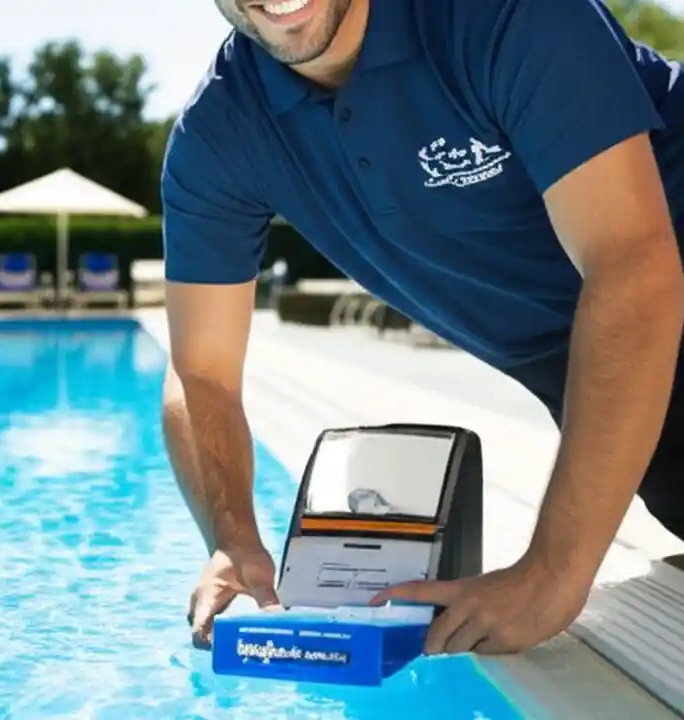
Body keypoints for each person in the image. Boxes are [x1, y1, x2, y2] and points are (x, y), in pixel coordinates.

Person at [160, 0, 684, 658]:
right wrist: (233, 541)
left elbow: (632, 264)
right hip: (615, 379)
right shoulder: (222, 133)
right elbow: (199, 370)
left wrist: (552, 572)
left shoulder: (505, 15)